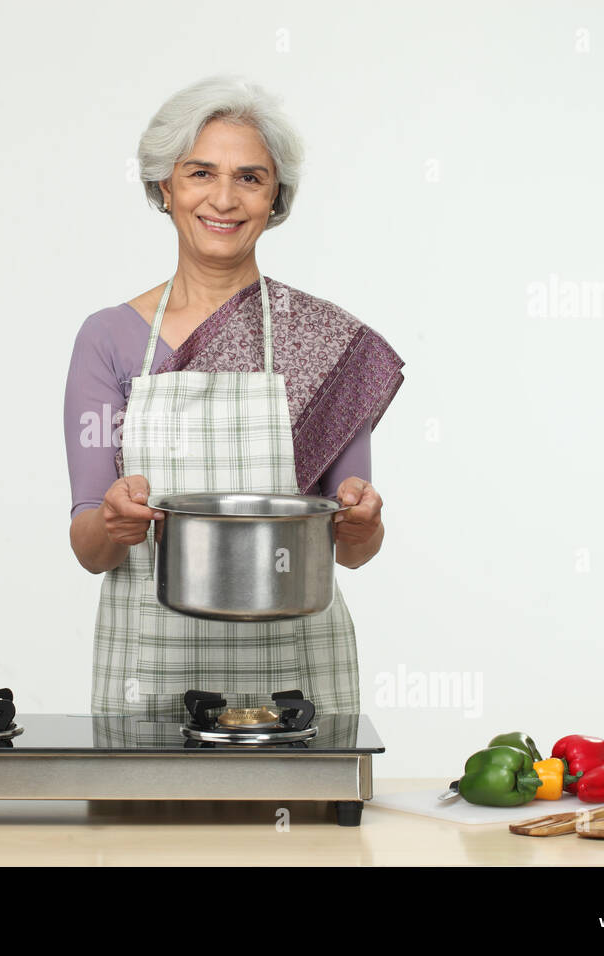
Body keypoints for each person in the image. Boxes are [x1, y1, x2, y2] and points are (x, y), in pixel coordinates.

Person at [63, 75, 405, 721]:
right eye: (200, 173)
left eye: (250, 178)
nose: (224, 198)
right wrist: (111, 523)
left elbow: (355, 548)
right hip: (150, 674)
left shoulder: (324, 343)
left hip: (294, 679)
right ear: (166, 187)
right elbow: (88, 545)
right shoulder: (108, 339)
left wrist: (365, 521)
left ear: (276, 198)